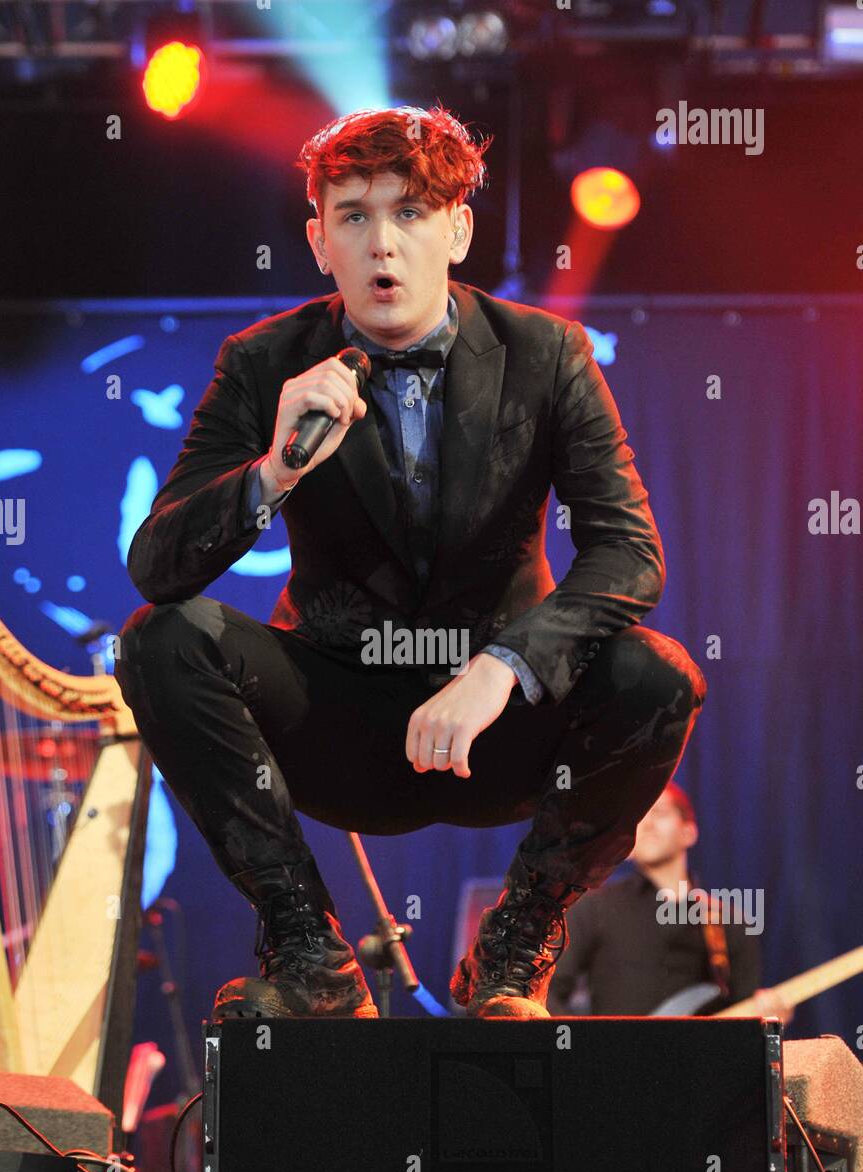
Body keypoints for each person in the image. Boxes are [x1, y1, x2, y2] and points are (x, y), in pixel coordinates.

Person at [114, 103, 708, 1023]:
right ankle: (310, 950)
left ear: (457, 230)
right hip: (338, 721)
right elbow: (158, 567)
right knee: (161, 639)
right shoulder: (263, 360)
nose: (381, 244)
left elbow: (628, 554)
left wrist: (504, 667)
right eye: (353, 215)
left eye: (409, 214)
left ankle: (512, 955)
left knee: (655, 674)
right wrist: (276, 469)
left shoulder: (547, 353)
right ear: (319, 242)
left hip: (498, 731)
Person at [549, 783, 794, 1023]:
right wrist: (582, 1053)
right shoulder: (593, 907)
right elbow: (548, 992)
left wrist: (768, 1019)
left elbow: (744, 1013)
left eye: (660, 812)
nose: (647, 824)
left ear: (689, 832)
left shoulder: (729, 921)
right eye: (639, 818)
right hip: (616, 1060)